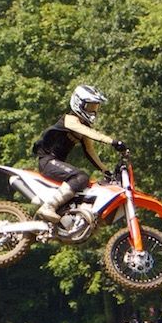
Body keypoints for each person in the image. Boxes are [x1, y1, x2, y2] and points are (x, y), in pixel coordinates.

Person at [31, 83, 125, 223]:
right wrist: (112, 141)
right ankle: (48, 207)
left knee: (88, 185)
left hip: (56, 163)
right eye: (90, 106)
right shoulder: (70, 120)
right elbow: (90, 133)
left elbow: (90, 152)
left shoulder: (82, 126)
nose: (93, 110)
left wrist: (106, 172)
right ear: (78, 104)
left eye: (95, 106)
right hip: (47, 161)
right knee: (80, 177)